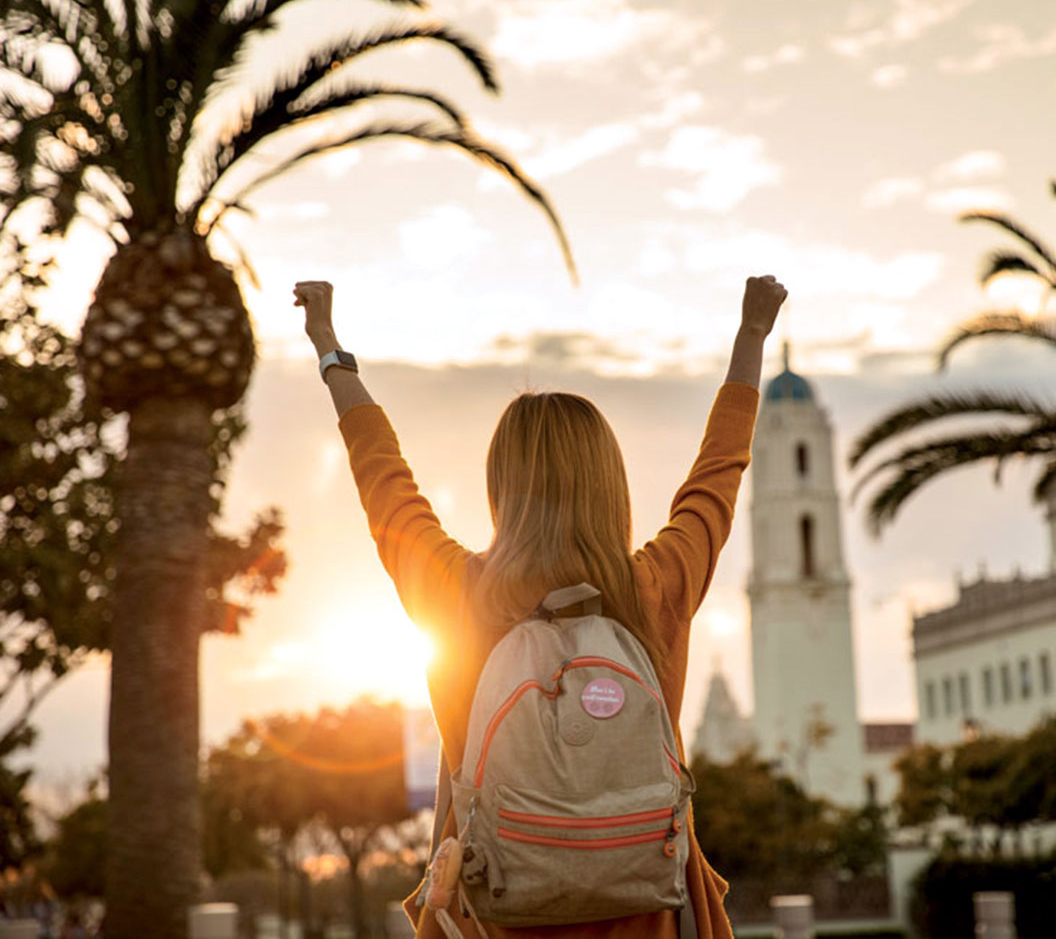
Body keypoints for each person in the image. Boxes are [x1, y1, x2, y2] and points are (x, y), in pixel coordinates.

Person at [294, 275, 788, 939]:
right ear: (610, 483)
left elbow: (382, 476)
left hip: (492, 917)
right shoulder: (652, 590)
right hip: (648, 918)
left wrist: (330, 348)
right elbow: (717, 475)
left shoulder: (457, 592)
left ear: (501, 485)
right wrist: (751, 334)